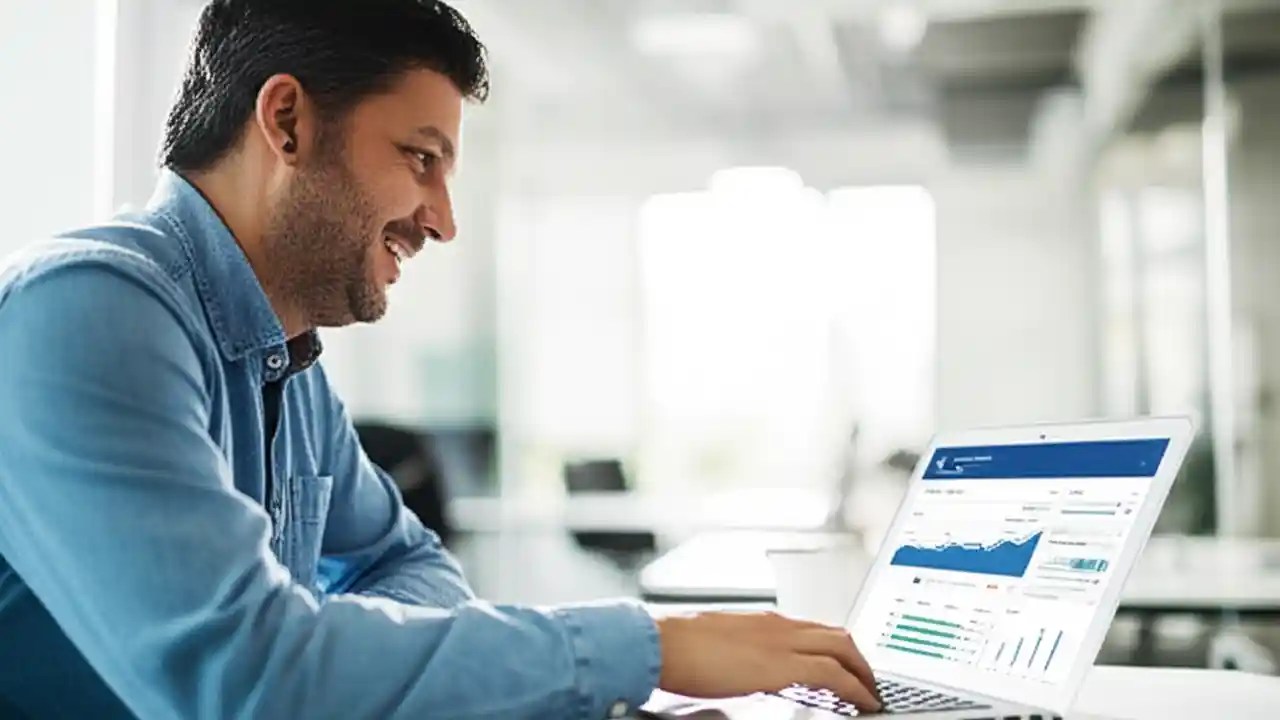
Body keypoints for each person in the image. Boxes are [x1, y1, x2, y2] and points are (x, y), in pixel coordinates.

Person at [0, 1, 880, 718]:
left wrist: (340, 658)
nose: (443, 219)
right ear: (286, 122)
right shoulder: (88, 309)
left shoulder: (288, 367)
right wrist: (648, 649)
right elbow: (245, 678)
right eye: (420, 159)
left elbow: (402, 566)